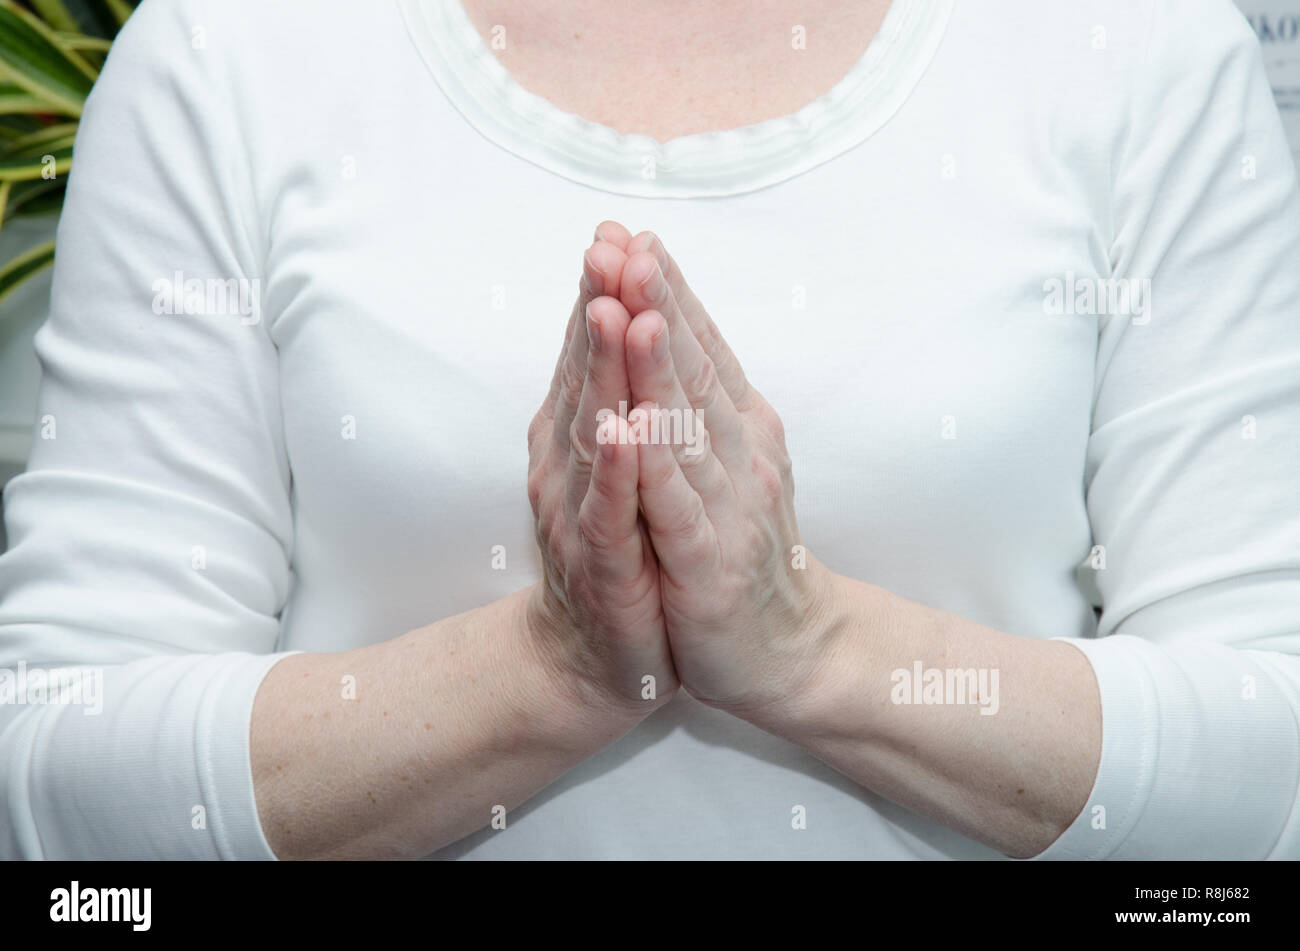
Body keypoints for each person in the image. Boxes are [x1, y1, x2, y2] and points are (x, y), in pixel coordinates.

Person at [1, 0, 1297, 860]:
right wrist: (551, 668)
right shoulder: (230, 51)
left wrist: (811, 645)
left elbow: (1272, 765)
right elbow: (56, 785)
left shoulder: (1134, 48)